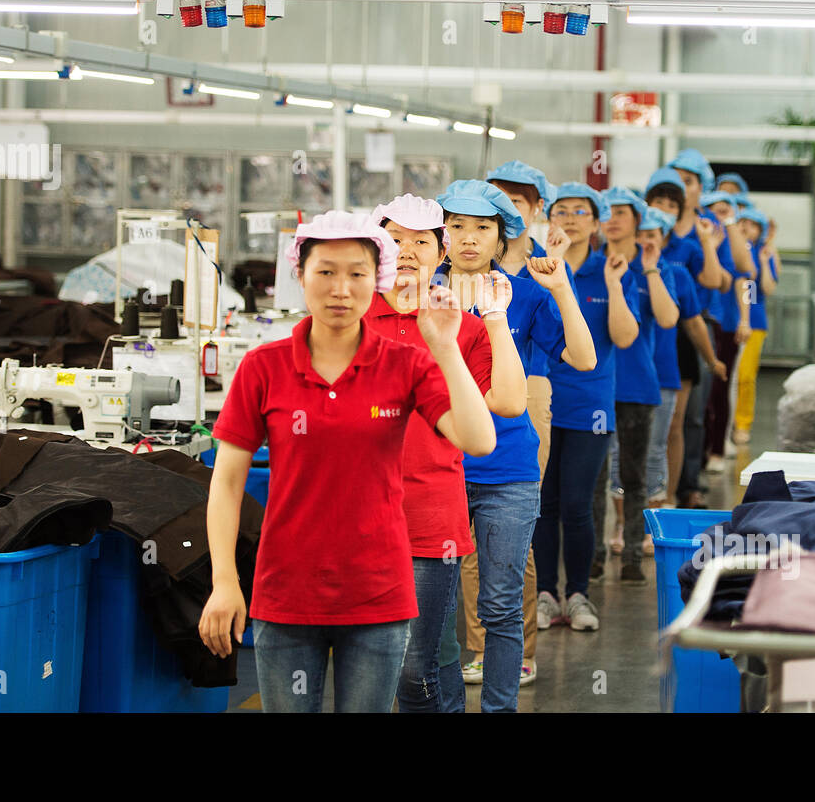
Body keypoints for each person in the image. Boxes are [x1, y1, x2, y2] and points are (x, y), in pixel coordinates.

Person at [199, 210, 495, 713]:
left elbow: (478, 439)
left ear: (375, 279)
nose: (341, 288)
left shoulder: (407, 365)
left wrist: (445, 349)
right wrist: (225, 580)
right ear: (300, 276)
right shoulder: (263, 367)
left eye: (357, 273)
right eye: (326, 272)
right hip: (286, 591)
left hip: (379, 591)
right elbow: (226, 484)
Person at [432, 179, 595, 711]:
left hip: (508, 468)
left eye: (483, 228)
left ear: (502, 239)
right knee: (434, 606)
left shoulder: (521, 294)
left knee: (499, 604)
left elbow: (584, 358)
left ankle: (499, 706)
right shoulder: (419, 294)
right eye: (457, 226)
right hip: (435, 469)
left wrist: (561, 288)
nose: (469, 238)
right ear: (442, 233)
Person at [366, 193, 527, 714]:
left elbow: (507, 402)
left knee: (416, 666)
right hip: (357, 514)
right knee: (374, 658)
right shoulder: (347, 317)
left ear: (442, 252)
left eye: (420, 241)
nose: (407, 251)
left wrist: (496, 320)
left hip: (429, 514)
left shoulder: (460, 323)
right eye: (394, 240)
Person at [534, 182, 639, 633]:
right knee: (542, 503)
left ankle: (577, 594)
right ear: (548, 218)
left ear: (597, 224)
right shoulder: (536, 268)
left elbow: (624, 337)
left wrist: (614, 287)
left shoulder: (612, 270)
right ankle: (544, 594)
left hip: (589, 408)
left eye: (582, 211)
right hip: (539, 400)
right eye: (562, 210)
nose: (572, 218)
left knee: (578, 504)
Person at [591, 187, 679, 585]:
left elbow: (667, 318)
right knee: (594, 478)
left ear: (638, 219)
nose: (612, 218)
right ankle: (592, 556)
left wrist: (651, 268)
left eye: (621, 212)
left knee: (634, 475)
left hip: (637, 385)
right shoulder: (589, 266)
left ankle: (631, 555)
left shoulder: (655, 269)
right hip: (592, 385)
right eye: (606, 212)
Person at [645, 166, 727, 508]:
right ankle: (638, 497)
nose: (664, 209)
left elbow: (712, 280)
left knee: (673, 425)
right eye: (658, 202)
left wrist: (708, 242)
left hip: (677, 339)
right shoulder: (634, 244)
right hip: (640, 337)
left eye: (671, 204)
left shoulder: (686, 247)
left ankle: (669, 495)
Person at [700, 189, 756, 473]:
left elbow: (745, 278)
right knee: (702, 392)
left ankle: (718, 449)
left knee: (721, 387)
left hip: (727, 323)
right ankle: (700, 451)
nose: (717, 215)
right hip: (701, 319)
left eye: (724, 210)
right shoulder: (700, 236)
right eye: (712, 209)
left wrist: (745, 320)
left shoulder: (734, 242)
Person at [732, 206, 778, 445]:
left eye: (751, 224)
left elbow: (769, 288)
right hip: (728, 319)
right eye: (742, 222)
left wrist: (764, 261)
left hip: (755, 322)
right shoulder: (727, 247)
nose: (745, 227)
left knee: (745, 375)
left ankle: (742, 423)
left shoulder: (764, 252)